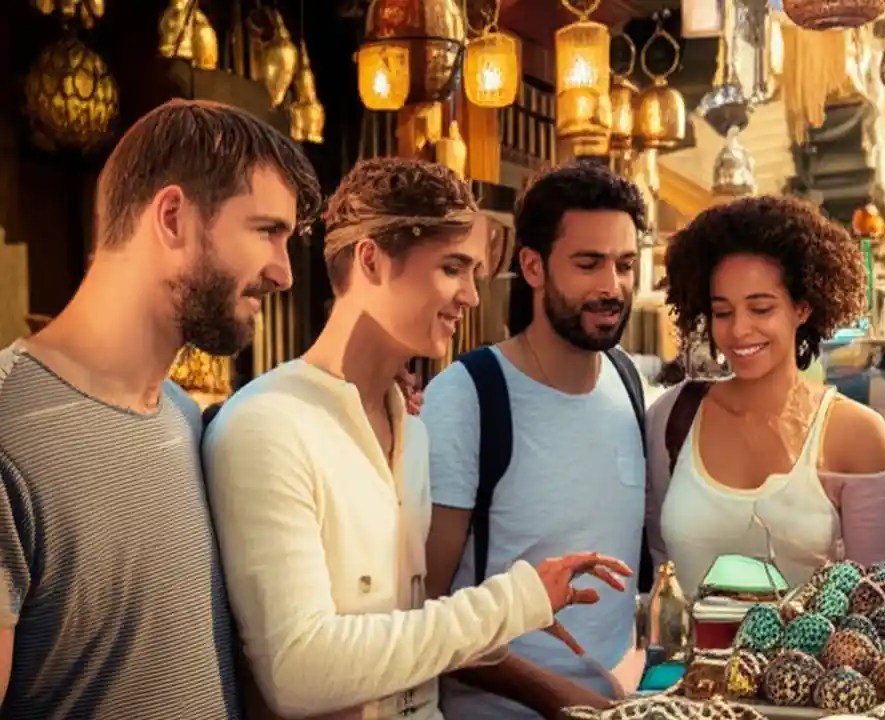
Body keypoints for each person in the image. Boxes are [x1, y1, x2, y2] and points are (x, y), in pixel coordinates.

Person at [202, 158, 630, 720]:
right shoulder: (270, 424)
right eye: (452, 268)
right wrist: (513, 602)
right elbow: (297, 673)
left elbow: (413, 635)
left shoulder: (413, 433)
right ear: (371, 260)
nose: (471, 296)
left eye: (474, 272)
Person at [0, 99, 321, 719]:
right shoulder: (12, 431)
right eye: (266, 231)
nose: (283, 273)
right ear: (173, 217)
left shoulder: (185, 417)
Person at [422, 162, 650, 719]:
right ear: (533, 265)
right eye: (588, 263)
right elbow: (423, 613)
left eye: (625, 265)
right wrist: (565, 701)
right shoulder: (469, 395)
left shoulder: (628, 381)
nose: (611, 287)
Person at [646, 195, 885, 595]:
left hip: (812, 659)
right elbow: (662, 570)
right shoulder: (672, 418)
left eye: (761, 309)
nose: (739, 331)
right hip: (688, 659)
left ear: (802, 307)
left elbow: (880, 601)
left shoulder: (857, 435)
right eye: (723, 312)